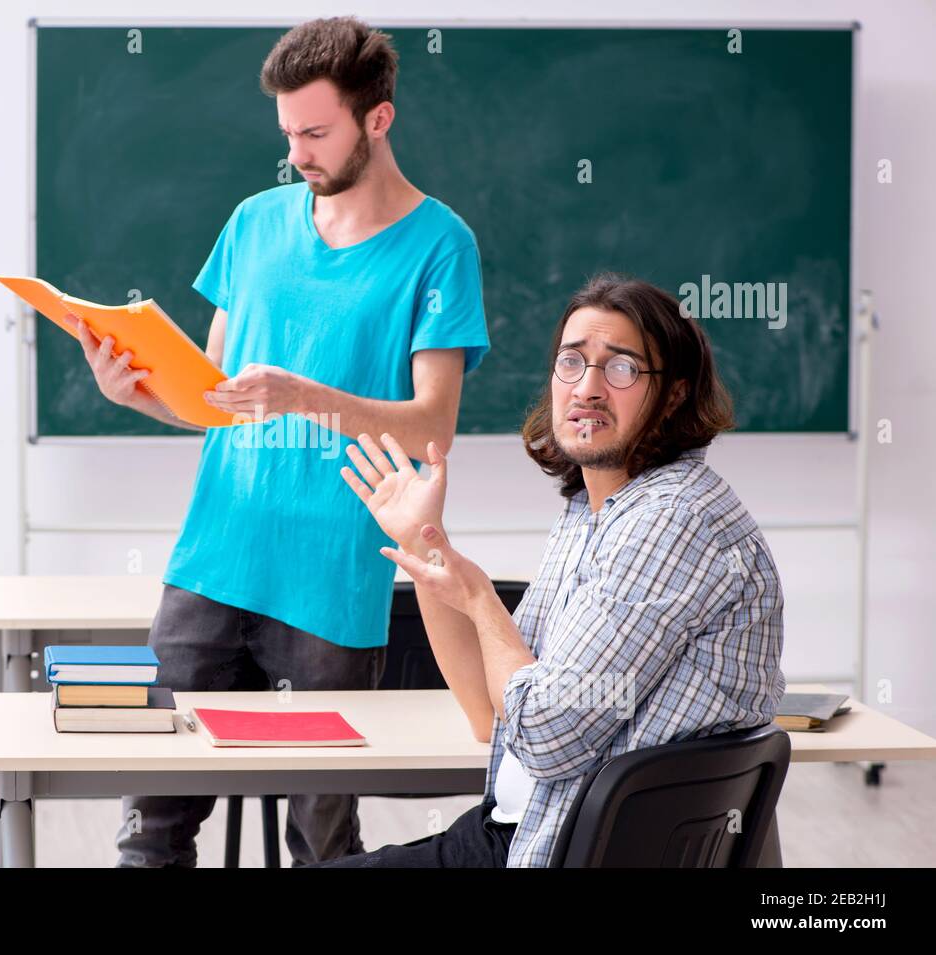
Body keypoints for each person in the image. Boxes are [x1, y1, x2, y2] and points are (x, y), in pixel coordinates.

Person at [74, 17, 491, 866]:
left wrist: (302, 394)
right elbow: (215, 400)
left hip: (332, 582)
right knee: (149, 825)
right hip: (212, 560)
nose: (296, 153)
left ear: (377, 119)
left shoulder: (442, 247)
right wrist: (138, 395)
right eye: (287, 133)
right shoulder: (255, 223)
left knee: (320, 838)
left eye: (315, 132)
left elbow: (432, 425)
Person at [321, 273, 786, 867]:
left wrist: (481, 598)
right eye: (572, 362)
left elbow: (544, 739)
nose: (587, 389)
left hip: (562, 851)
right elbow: (491, 718)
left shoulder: (670, 521)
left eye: (621, 368)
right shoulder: (594, 509)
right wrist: (425, 542)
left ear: (674, 395)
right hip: (520, 831)